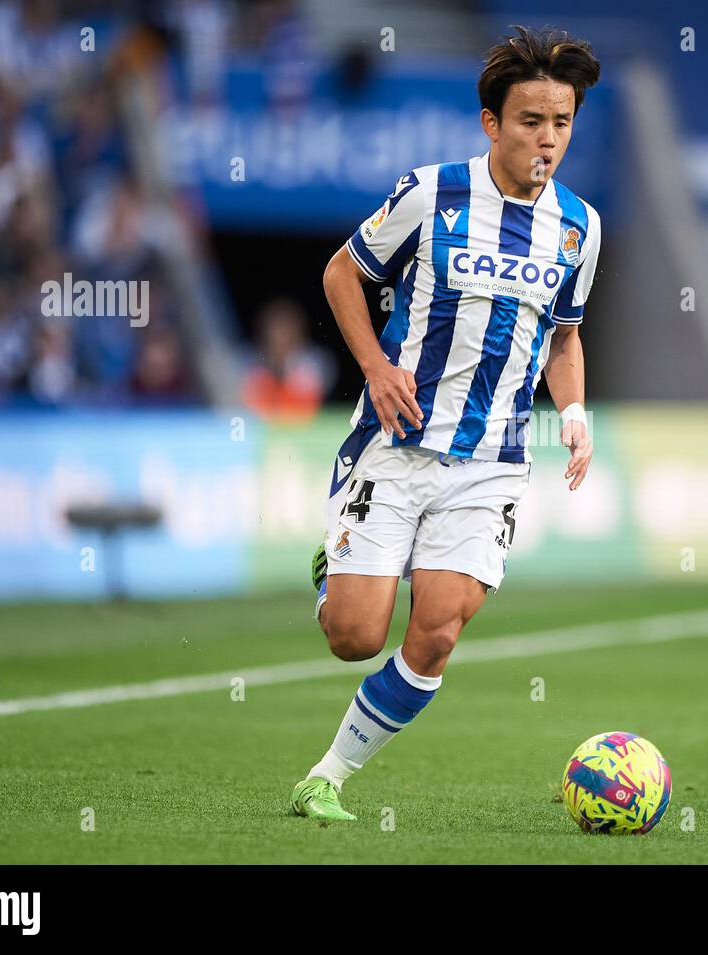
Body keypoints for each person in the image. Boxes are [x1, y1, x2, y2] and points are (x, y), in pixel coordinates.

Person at [290, 26, 602, 823]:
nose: (547, 138)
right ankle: (336, 565)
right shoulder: (432, 194)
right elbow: (341, 272)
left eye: (561, 122)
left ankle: (324, 777)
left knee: (435, 633)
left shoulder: (578, 227)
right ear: (491, 122)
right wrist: (374, 366)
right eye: (531, 120)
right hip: (396, 444)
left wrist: (572, 411)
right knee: (356, 637)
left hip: (494, 457)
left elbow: (564, 334)